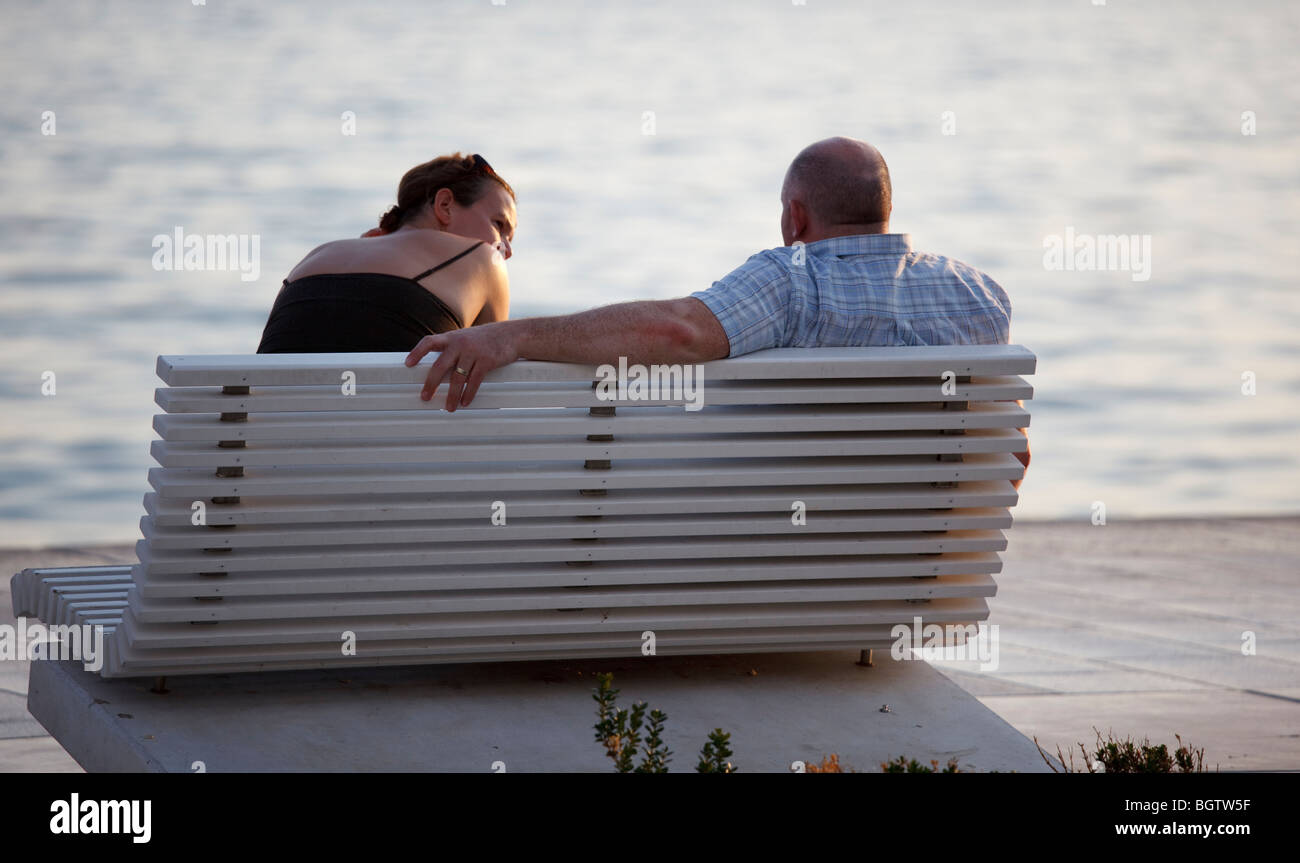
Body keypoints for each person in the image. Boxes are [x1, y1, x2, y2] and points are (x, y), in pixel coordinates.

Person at [404, 136, 1029, 480]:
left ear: (795, 217)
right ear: (883, 210)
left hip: (786, 556)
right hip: (912, 566)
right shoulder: (981, 295)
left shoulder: (791, 280)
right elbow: (1012, 452)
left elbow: (678, 333)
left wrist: (510, 337)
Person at [256, 153, 515, 353]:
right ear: (445, 205)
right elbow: (490, 389)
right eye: (499, 224)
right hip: (390, 421)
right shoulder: (485, 259)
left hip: (272, 421)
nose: (507, 248)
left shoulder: (316, 257)